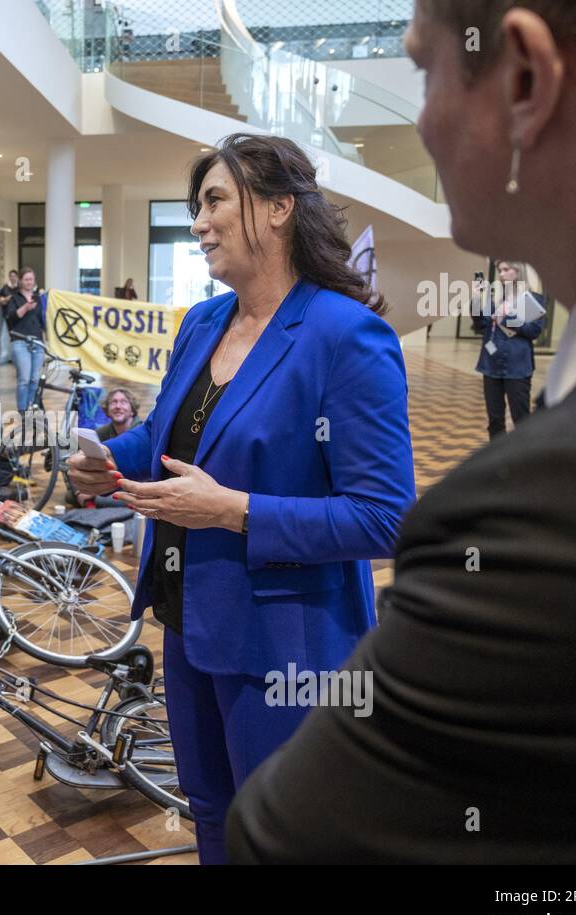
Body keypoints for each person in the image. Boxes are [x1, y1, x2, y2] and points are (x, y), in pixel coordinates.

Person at [226, 0, 576, 864]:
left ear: (524, 81)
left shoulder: (572, 504)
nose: (421, 117)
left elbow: (283, 838)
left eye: (426, 71)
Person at [67, 133, 416, 864]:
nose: (198, 223)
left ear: (280, 208)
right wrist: (107, 465)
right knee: (212, 813)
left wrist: (235, 511)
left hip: (286, 646)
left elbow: (386, 517)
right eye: (197, 206)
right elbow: (168, 438)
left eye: (214, 201)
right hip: (188, 618)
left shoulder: (346, 336)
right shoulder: (202, 323)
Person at [471, 259, 545, 438]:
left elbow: (534, 331)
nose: (501, 274)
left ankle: (523, 461)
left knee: (521, 418)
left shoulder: (532, 299)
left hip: (517, 366)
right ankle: (496, 459)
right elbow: (481, 324)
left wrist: (509, 316)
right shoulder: (496, 297)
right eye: (499, 270)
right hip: (491, 364)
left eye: (506, 269)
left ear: (518, 272)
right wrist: (475, 298)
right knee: (495, 419)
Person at [6, 267, 46, 411]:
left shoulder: (38, 298)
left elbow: (43, 321)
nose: (29, 282)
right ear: (20, 281)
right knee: (24, 379)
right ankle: (22, 410)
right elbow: (10, 319)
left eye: (31, 279)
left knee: (35, 379)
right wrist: (25, 308)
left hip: (37, 341)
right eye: (26, 279)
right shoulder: (14, 298)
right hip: (20, 341)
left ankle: (31, 406)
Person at [0, 269, 20, 363]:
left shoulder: (20, 287)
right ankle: (8, 356)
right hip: (7, 314)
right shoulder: (5, 287)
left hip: (18, 315)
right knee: (6, 337)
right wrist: (3, 299)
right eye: (11, 276)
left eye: (14, 276)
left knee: (17, 336)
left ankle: (16, 357)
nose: (12, 278)